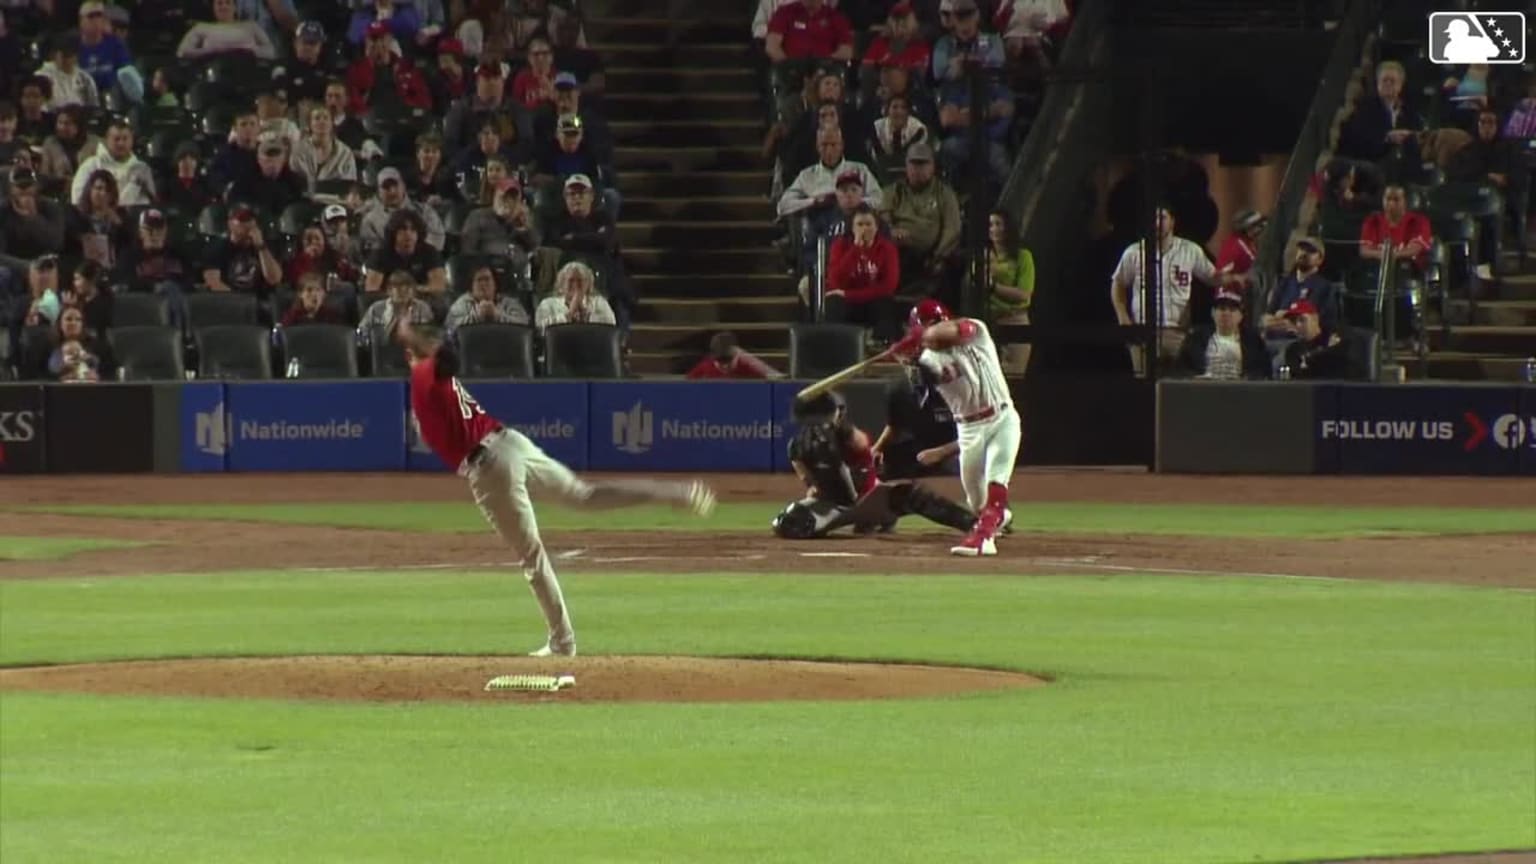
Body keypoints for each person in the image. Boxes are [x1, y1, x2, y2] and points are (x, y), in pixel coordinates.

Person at [394, 317, 717, 657]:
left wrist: (412, 335)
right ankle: (675, 494)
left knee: (532, 556)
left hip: (490, 466)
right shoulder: (432, 378)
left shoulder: (424, 372)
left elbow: (449, 359)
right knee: (584, 495)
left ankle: (562, 642)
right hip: (511, 445)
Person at [890, 298, 1019, 557]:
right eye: (926, 325)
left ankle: (983, 540)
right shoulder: (928, 358)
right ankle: (997, 516)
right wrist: (907, 356)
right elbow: (928, 381)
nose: (936, 327)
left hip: (1002, 418)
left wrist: (920, 335)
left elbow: (947, 332)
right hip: (969, 430)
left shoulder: (975, 330)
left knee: (997, 479)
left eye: (935, 323)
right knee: (977, 502)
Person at [770, 390, 974, 540]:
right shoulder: (798, 446)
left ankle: (975, 524)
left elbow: (860, 442)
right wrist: (814, 488)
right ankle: (868, 522)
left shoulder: (848, 434)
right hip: (835, 507)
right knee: (789, 523)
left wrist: (836, 426)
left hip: (868, 499)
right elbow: (809, 482)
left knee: (909, 492)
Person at [1174, 289, 1270, 380]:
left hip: (1241, 390)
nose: (1226, 313)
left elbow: (1262, 370)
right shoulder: (1196, 337)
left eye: (1232, 310)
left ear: (1241, 316)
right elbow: (1183, 368)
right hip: (1203, 388)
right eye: (1222, 309)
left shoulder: (1253, 340)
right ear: (1213, 313)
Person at [1280, 300, 1350, 379]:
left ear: (1315, 318)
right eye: (1293, 321)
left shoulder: (1333, 338)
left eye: (1302, 320)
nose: (1298, 325)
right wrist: (1325, 351)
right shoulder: (1293, 350)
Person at [685, 331, 781, 379]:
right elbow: (687, 383)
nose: (725, 365)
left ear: (736, 354)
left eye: (728, 360)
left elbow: (773, 376)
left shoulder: (746, 364)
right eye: (720, 361)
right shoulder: (705, 366)